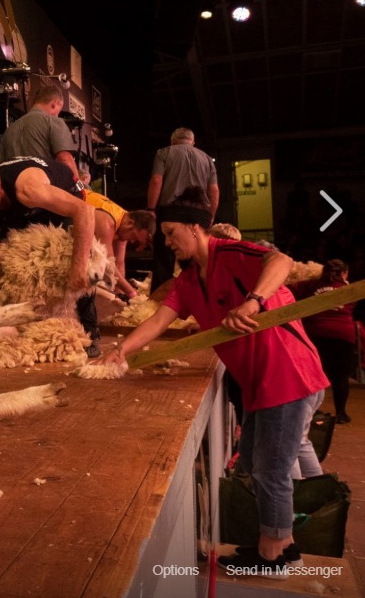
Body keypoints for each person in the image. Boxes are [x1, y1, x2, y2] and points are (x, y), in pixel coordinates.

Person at [100, 187, 328, 574]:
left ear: (196, 227)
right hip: (259, 385)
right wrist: (120, 352)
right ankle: (284, 544)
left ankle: (272, 557)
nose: (168, 242)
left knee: (272, 470)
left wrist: (253, 300)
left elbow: (282, 260)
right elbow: (157, 320)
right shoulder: (188, 281)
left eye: (172, 233)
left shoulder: (233, 254)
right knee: (257, 465)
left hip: (289, 376)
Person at [0, 157, 99, 354]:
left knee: (79, 266)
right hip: (22, 209)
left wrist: (79, 265)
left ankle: (90, 335)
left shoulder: (28, 189)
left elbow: (85, 211)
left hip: (66, 198)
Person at [290, 259, 364, 424]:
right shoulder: (349, 290)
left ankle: (311, 412)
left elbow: (292, 288)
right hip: (343, 337)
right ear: (344, 273)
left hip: (315, 334)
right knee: (341, 377)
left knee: (315, 375)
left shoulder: (310, 285)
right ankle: (341, 413)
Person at [146, 128, 219, 292]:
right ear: (192, 142)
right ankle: (199, 300)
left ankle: (157, 304)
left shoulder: (164, 153)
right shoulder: (207, 159)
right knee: (198, 261)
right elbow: (214, 190)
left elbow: (156, 180)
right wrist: (210, 216)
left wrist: (151, 209)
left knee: (163, 261)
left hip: (171, 212)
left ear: (173, 141)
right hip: (200, 214)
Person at [83, 190, 154, 299]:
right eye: (134, 237)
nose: (132, 241)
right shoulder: (107, 223)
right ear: (131, 223)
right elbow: (108, 265)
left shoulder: (125, 224)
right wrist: (133, 294)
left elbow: (119, 264)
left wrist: (120, 296)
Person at [0, 85, 79, 178]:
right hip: (44, 189)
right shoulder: (53, 121)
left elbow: (0, 169)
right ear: (54, 104)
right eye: (58, 111)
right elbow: (65, 160)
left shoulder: (8, 131)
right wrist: (79, 189)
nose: (57, 115)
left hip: (14, 190)